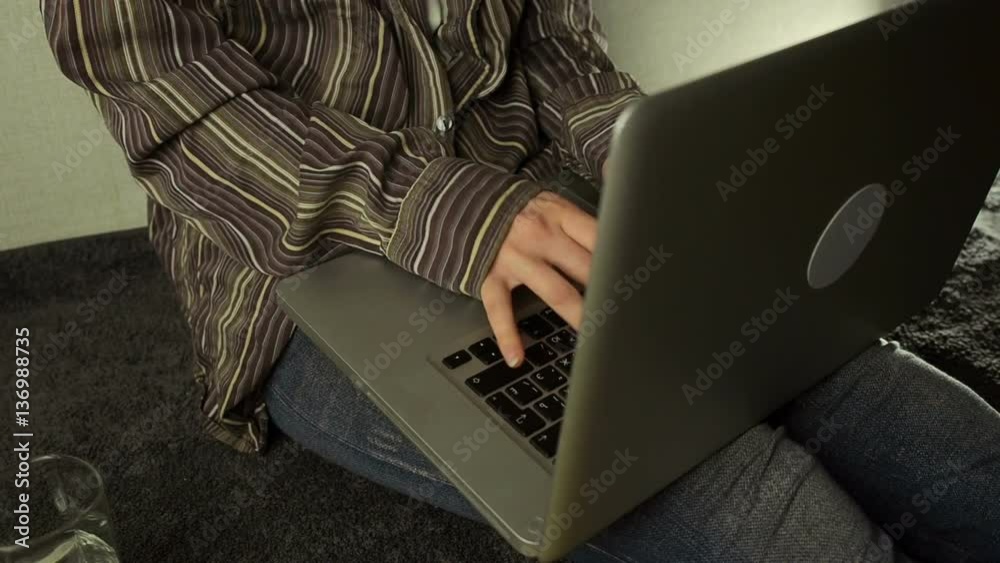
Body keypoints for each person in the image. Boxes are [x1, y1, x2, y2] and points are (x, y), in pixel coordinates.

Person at [44, 1, 1000, 561]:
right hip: (302, 267)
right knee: (746, 498)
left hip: (535, 182)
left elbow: (548, 39)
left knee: (854, 380)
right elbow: (178, 104)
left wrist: (630, 149)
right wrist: (457, 215)